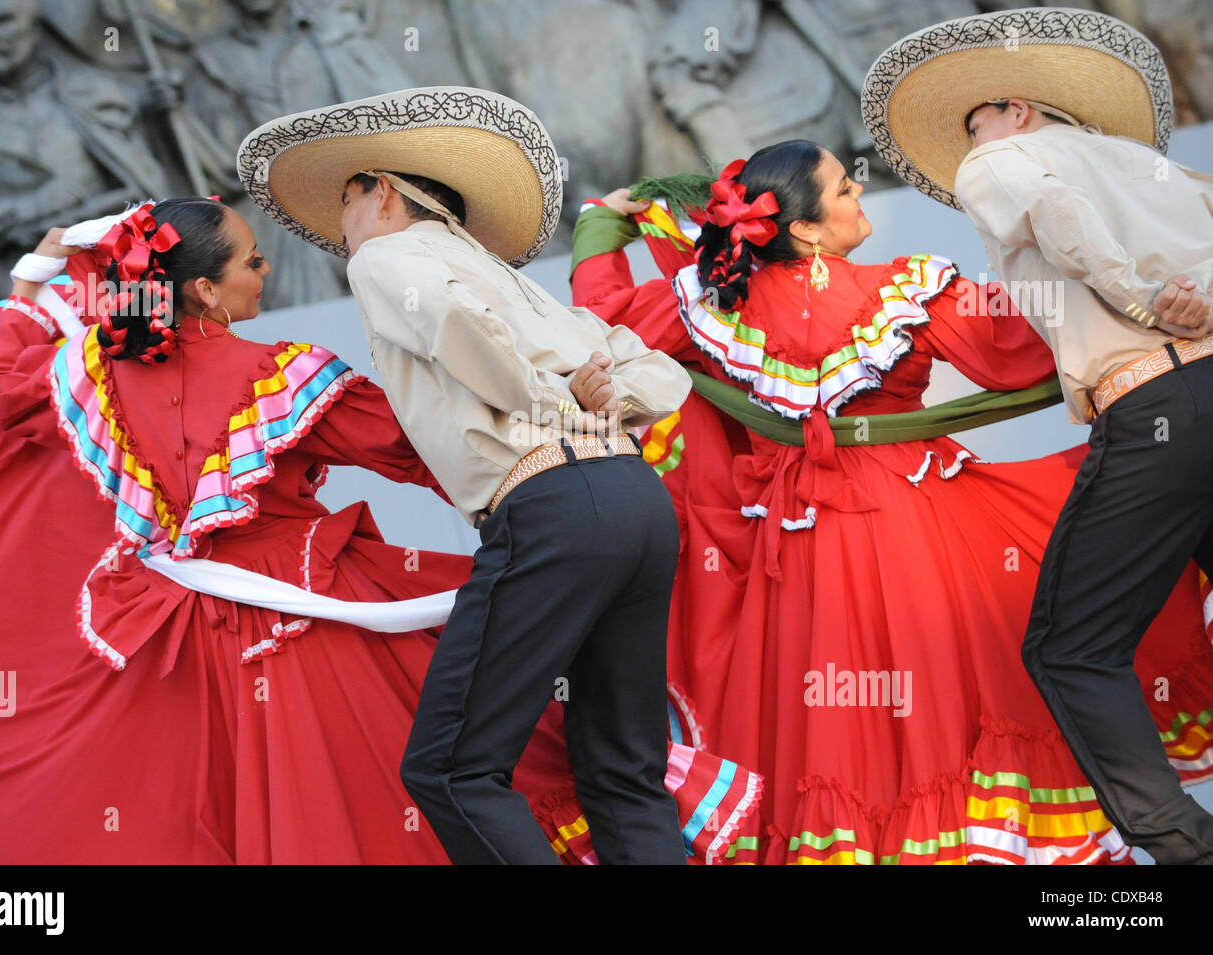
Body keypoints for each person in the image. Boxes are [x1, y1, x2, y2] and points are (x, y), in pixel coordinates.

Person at [569, 140, 1213, 864]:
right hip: (914, 523)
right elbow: (1022, 349)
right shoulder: (904, 289)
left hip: (791, 550)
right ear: (807, 229)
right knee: (961, 688)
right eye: (844, 189)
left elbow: (605, 315)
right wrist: (1144, 307)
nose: (857, 196)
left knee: (829, 726)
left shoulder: (704, 304)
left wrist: (601, 224)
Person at [0, 197, 580, 863]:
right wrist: (565, 455)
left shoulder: (88, 376)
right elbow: (425, 451)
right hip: (306, 621)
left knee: (204, 814)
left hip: (183, 642)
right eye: (252, 260)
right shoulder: (282, 377)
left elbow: (0, 395)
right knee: (386, 790)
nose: (266, 270)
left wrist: (38, 294)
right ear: (205, 290)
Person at [240, 87, 704, 865]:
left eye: (344, 202)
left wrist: (553, 402)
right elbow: (658, 374)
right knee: (625, 771)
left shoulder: (385, 258)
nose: (339, 229)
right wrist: (602, 399)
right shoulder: (510, 280)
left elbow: (460, 331)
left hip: (554, 501)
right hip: (633, 499)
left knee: (451, 767)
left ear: (380, 191)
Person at [863, 5, 1213, 864]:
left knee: (1069, 647)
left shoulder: (1003, 159)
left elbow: (1060, 217)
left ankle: (1182, 848)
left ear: (1017, 108)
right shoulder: (1143, 163)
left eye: (973, 122)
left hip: (1156, 403)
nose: (966, 146)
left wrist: (1138, 295)